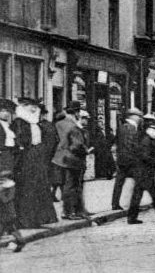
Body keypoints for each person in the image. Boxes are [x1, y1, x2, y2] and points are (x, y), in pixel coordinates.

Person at [10, 98, 58, 228]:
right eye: (31, 106)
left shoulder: (35, 123)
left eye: (35, 106)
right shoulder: (19, 123)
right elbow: (19, 142)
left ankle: (39, 219)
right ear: (23, 107)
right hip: (26, 160)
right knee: (27, 189)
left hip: (37, 159)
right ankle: (26, 220)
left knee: (39, 187)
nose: (34, 109)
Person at [52, 104, 93, 220]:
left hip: (61, 158)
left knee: (68, 185)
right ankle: (70, 211)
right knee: (73, 186)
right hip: (74, 159)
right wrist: (85, 150)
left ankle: (75, 210)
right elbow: (77, 145)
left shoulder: (58, 124)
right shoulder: (74, 126)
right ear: (76, 113)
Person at [112, 108, 143, 210]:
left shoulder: (121, 127)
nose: (139, 119)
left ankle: (115, 204)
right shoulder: (131, 128)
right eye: (138, 117)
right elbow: (131, 145)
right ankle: (134, 206)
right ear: (133, 116)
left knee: (119, 182)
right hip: (130, 160)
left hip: (121, 159)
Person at [0, 168, 25, 252]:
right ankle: (20, 241)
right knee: (11, 228)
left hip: (7, 211)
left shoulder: (9, 188)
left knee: (9, 227)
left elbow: (5, 200)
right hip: (4, 212)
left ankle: (20, 241)